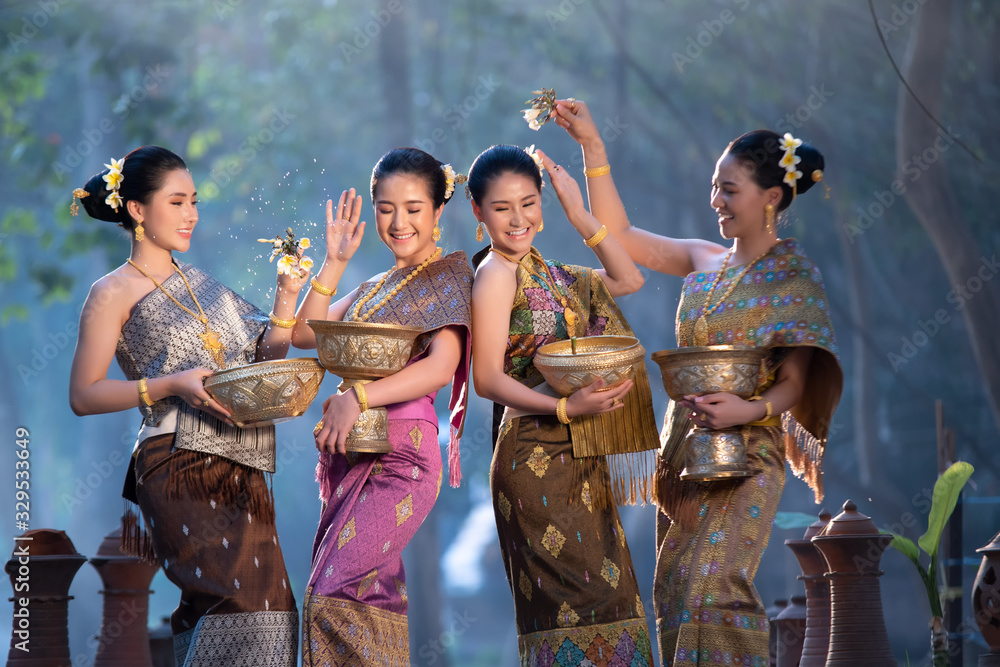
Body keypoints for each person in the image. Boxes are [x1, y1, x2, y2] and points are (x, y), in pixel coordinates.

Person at [553, 101, 843, 665]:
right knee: (677, 591)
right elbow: (620, 235)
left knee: (716, 587)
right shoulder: (701, 261)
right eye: (714, 187)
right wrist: (593, 147)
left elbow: (793, 383)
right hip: (683, 456)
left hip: (750, 453)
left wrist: (746, 412)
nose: (716, 201)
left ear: (772, 198)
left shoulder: (793, 278)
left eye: (730, 190)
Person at [68, 145, 306, 665]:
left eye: (193, 200)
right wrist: (170, 384)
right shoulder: (111, 292)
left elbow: (262, 356)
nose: (191, 213)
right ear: (136, 209)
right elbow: (83, 395)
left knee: (272, 608)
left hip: (241, 463)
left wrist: (287, 295)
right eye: (177, 201)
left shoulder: (201, 287)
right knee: (237, 602)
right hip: (178, 463)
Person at [469, 142, 658, 665]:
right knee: (572, 609)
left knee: (613, 602)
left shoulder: (551, 275)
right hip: (534, 456)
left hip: (582, 452)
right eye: (502, 207)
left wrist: (579, 212)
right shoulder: (497, 274)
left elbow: (629, 279)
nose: (517, 218)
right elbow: (485, 379)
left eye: (529, 203)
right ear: (477, 210)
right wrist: (562, 410)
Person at [290, 147, 473, 667]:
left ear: (439, 211)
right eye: (386, 208)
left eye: (414, 208)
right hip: (354, 453)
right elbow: (307, 333)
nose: (399, 222)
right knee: (371, 602)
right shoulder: (373, 288)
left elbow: (441, 368)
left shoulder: (450, 278)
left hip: (403, 460)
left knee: (329, 596)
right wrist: (334, 261)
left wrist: (358, 396)